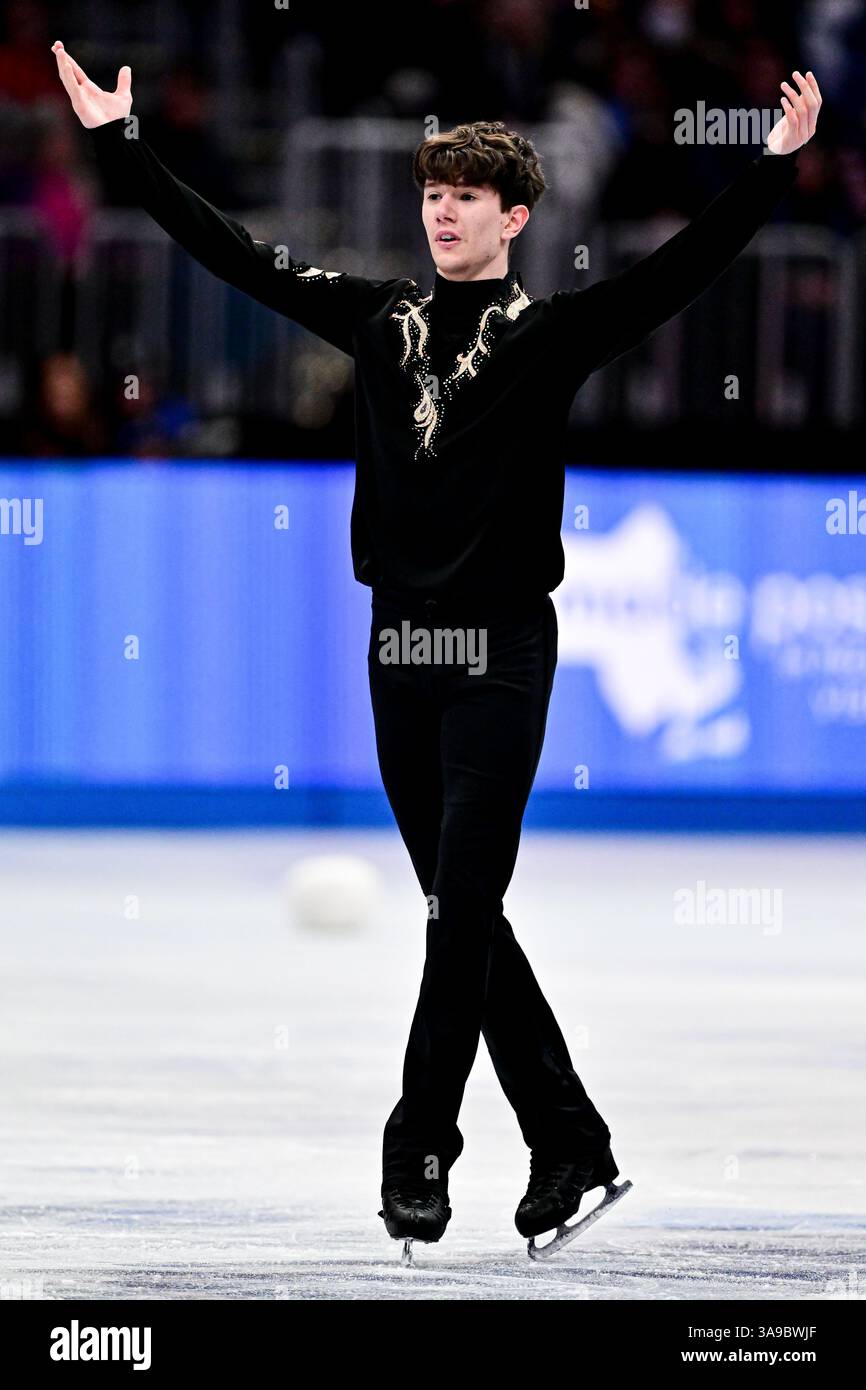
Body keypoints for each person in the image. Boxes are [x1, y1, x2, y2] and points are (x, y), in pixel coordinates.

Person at [51, 40, 820, 1251]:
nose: (442, 211)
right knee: (456, 907)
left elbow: (676, 274)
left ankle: (416, 1151)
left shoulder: (550, 335)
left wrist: (772, 168)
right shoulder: (373, 320)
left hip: (503, 650)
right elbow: (231, 254)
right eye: (429, 193)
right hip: (397, 646)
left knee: (460, 911)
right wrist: (120, 144)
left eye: (465, 195)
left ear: (514, 216)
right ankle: (570, 1139)